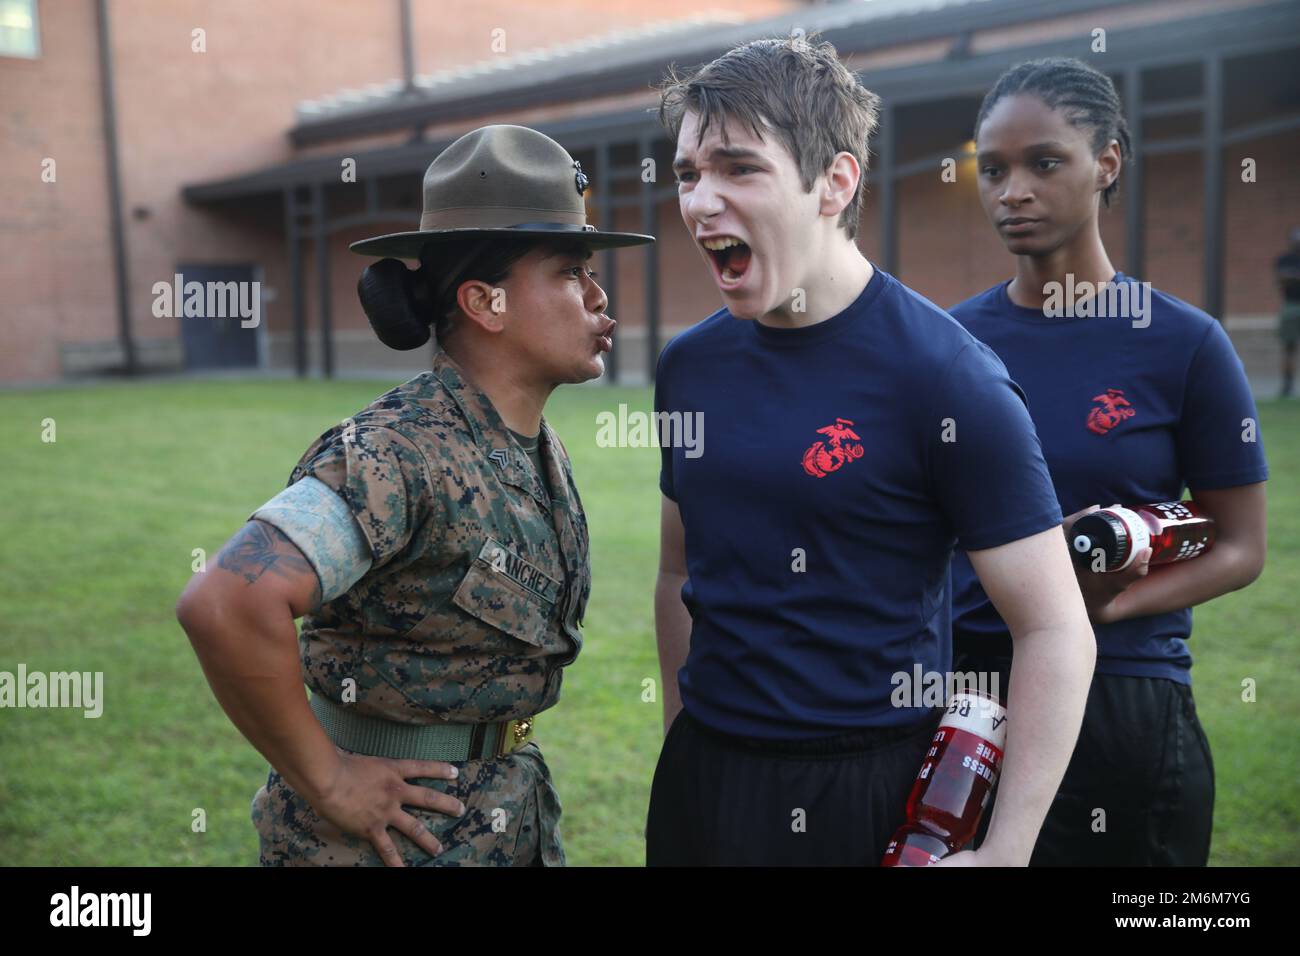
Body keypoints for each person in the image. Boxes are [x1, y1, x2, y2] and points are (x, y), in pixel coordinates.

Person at [645, 36, 1096, 867]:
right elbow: (679, 574)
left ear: (836, 183)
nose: (701, 202)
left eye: (739, 169)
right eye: (686, 173)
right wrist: (684, 746)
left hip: (868, 789)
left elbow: (1056, 625)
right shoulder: (689, 365)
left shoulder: (948, 377)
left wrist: (1007, 850)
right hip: (703, 781)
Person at [175, 124, 653, 866]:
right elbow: (227, 603)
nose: (598, 296)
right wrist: (329, 780)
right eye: (569, 271)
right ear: (485, 302)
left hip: (502, 815)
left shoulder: (527, 440)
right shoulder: (397, 451)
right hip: (385, 842)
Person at [949, 58, 1269, 865]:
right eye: (993, 169)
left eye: (1043, 163)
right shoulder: (947, 346)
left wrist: (1094, 604)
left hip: (1123, 695)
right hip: (967, 698)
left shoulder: (1185, 343)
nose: (1011, 190)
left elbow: (1238, 545)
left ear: (1108, 164)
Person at [1275, 227, 1300, 398]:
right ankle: (1287, 385)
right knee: (1288, 348)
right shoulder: (1284, 259)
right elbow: (1281, 277)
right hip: (1291, 305)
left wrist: (1294, 276)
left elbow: (1288, 277)